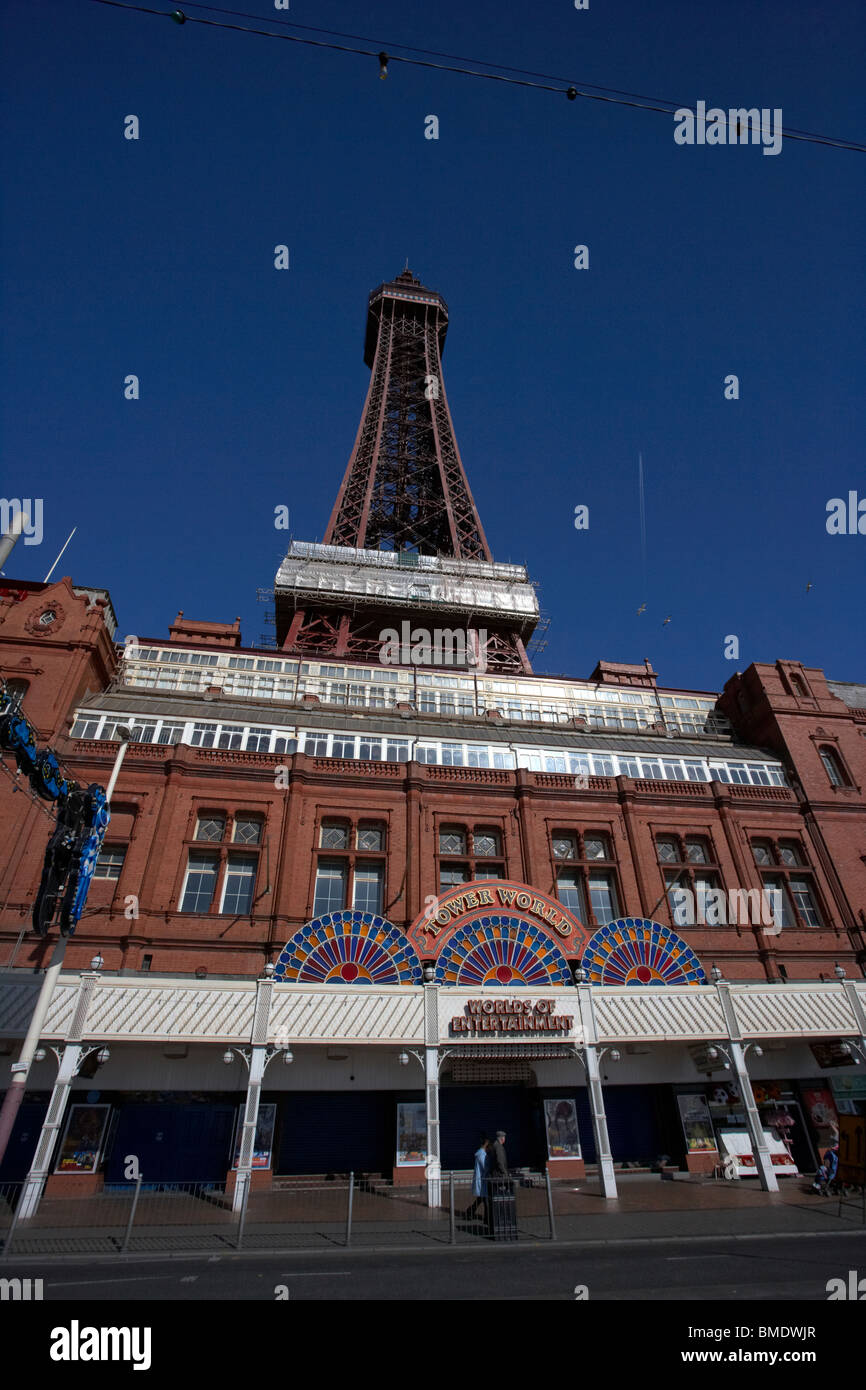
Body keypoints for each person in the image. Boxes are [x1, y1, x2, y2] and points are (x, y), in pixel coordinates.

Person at [464, 1136, 490, 1221]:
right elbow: (485, 1167)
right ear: (486, 1144)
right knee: (486, 1200)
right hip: (482, 1180)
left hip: (482, 1180)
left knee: (481, 1199)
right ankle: (487, 1218)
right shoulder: (482, 1154)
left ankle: (469, 1212)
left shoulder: (480, 1153)